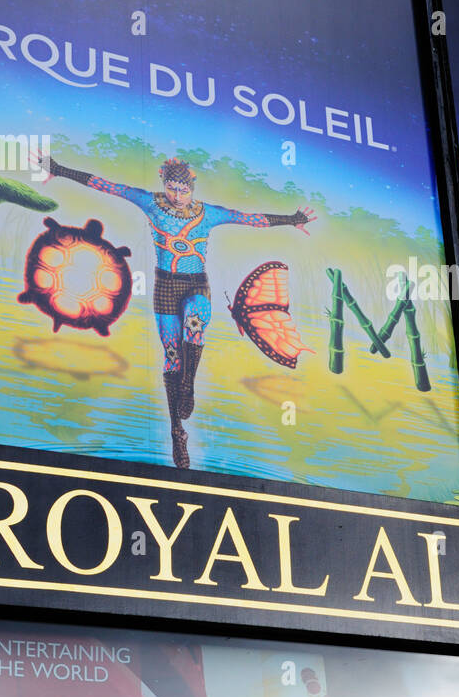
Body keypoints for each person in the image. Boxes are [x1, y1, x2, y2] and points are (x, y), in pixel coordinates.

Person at [34, 151, 314, 468]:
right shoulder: (149, 201)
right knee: (171, 355)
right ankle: (176, 432)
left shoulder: (207, 214)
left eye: (184, 190)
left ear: (192, 189)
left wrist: (291, 219)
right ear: (164, 185)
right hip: (164, 285)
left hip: (195, 284)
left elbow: (249, 219)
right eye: (172, 189)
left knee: (195, 322)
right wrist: (58, 169)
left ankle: (188, 384)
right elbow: (104, 185)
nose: (178, 196)